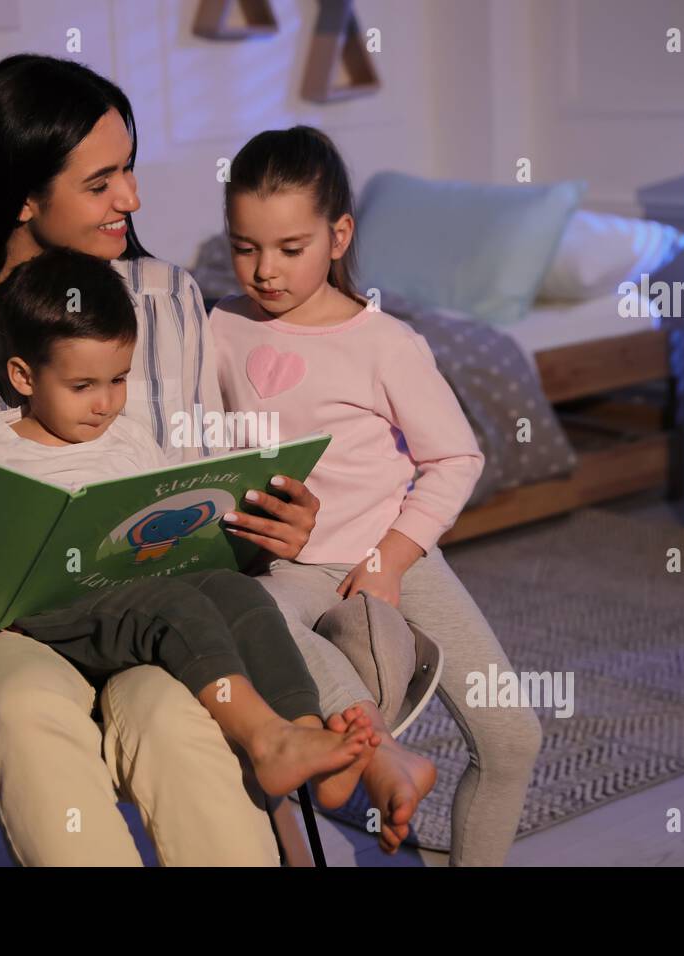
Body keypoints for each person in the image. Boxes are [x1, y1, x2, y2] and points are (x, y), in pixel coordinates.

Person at [0, 54, 325, 866]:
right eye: (102, 181)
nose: (133, 200)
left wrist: (263, 524)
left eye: (130, 170)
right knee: (26, 707)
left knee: (172, 716)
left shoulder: (167, 299)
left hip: (157, 615)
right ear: (24, 196)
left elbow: (197, 485)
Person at [209, 126, 544, 862]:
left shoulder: (386, 342)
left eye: (290, 249)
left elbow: (456, 458)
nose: (265, 271)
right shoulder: (219, 328)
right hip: (286, 572)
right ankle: (373, 750)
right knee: (244, 617)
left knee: (514, 738)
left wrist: (392, 559)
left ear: (339, 235)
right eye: (244, 246)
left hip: (396, 561)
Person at [0, 246, 379, 801]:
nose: (105, 404)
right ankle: (264, 739)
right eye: (82, 387)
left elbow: (157, 513)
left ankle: (308, 734)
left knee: (233, 590)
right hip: (53, 614)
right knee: (176, 607)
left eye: (118, 379)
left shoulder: (126, 436)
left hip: (136, 591)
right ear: (24, 376)